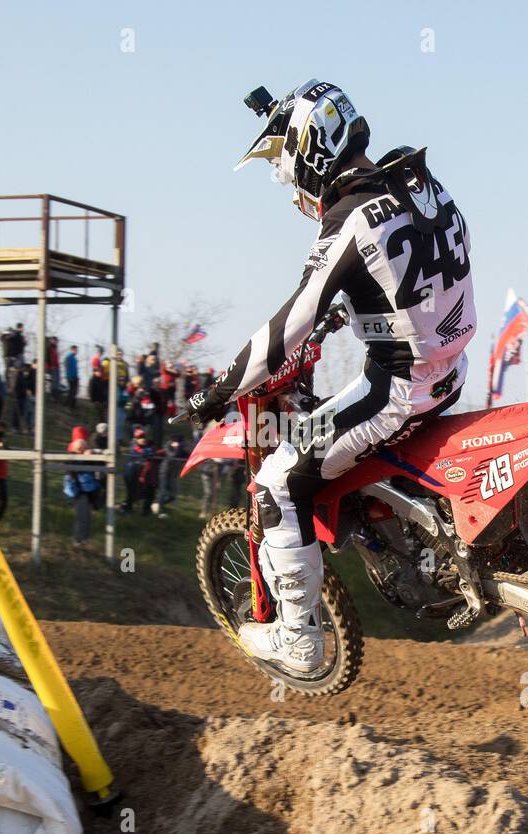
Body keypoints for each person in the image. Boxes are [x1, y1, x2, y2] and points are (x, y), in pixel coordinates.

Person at [182, 80, 476, 672]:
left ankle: (300, 640)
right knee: (334, 433)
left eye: (286, 165)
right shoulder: (419, 183)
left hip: (398, 388)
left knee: (278, 481)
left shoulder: (348, 221)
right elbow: (416, 269)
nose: (290, 184)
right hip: (454, 369)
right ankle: (416, 541)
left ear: (309, 148)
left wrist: (220, 390)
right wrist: (366, 303)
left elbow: (288, 326)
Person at [64, 344, 80, 409]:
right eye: (76, 350)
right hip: (71, 377)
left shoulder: (74, 358)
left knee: (74, 391)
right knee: (72, 391)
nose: (77, 351)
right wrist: (69, 376)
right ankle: (69, 404)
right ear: (72, 350)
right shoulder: (69, 357)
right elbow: (67, 367)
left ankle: (72, 405)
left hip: (75, 377)